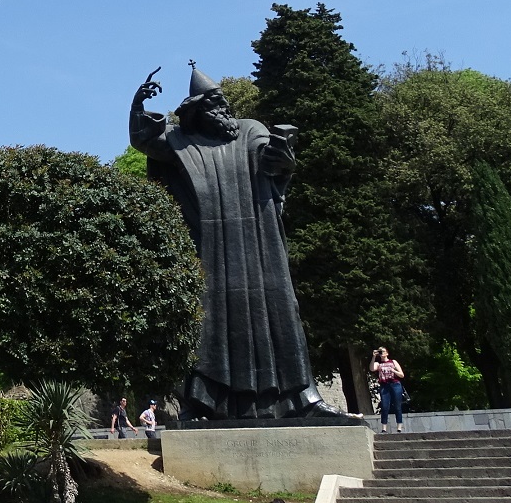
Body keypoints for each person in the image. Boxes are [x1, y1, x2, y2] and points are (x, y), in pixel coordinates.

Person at [130, 65, 348, 420]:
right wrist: (139, 105)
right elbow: (145, 141)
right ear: (196, 109)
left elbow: (273, 163)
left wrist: (283, 160)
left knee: (281, 309)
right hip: (209, 248)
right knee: (208, 320)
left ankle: (302, 399)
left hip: (260, 246)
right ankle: (203, 403)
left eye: (223, 101)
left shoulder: (250, 131)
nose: (222, 108)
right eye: (213, 102)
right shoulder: (181, 140)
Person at [371, 347, 406, 433]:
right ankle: (384, 428)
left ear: (387, 353)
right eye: (380, 351)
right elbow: (372, 368)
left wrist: (393, 371)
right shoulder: (378, 363)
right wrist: (373, 357)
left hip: (395, 384)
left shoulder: (393, 362)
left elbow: (402, 375)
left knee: (397, 406)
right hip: (384, 385)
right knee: (385, 406)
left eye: (382, 351)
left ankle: (399, 427)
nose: (381, 353)